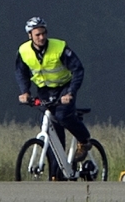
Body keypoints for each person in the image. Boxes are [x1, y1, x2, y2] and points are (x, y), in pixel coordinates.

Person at [14, 16, 93, 169]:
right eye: (37, 34)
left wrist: (70, 92)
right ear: (30, 35)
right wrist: (25, 92)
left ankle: (84, 140)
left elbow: (78, 69)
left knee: (63, 116)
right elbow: (20, 72)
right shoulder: (23, 51)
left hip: (64, 86)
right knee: (51, 129)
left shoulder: (59, 47)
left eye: (44, 33)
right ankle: (57, 172)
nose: (42, 37)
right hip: (44, 89)